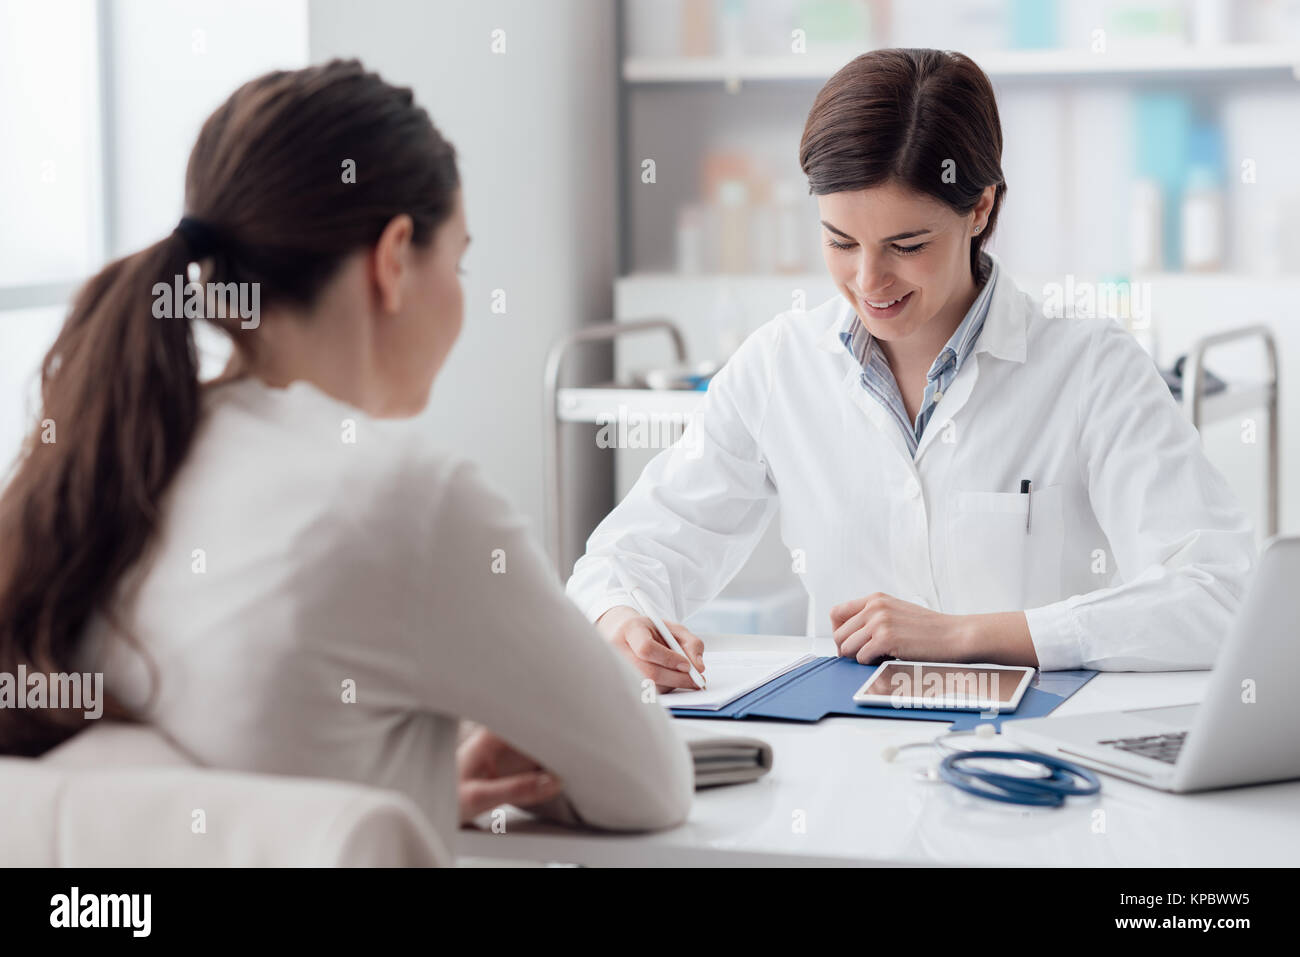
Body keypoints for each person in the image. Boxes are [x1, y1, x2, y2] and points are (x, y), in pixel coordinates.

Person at [0, 60, 692, 843]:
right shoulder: (407, 498)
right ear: (394, 258)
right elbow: (653, 783)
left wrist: (402, 788)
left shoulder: (112, 453)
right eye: (457, 262)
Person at [567, 48, 1257, 687]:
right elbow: (623, 560)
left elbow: (1219, 595)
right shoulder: (780, 366)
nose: (869, 280)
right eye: (840, 241)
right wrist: (625, 621)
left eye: (906, 244)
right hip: (846, 764)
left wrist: (972, 635)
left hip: (1040, 766)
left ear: (980, 207)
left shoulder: (1092, 368)